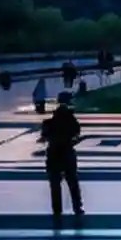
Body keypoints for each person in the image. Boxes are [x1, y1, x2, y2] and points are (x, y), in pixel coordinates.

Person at [40, 91, 84, 220]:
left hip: (54, 153)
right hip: (66, 152)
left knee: (55, 184)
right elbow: (76, 135)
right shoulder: (72, 121)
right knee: (72, 182)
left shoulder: (49, 123)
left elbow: (45, 136)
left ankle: (57, 210)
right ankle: (77, 207)